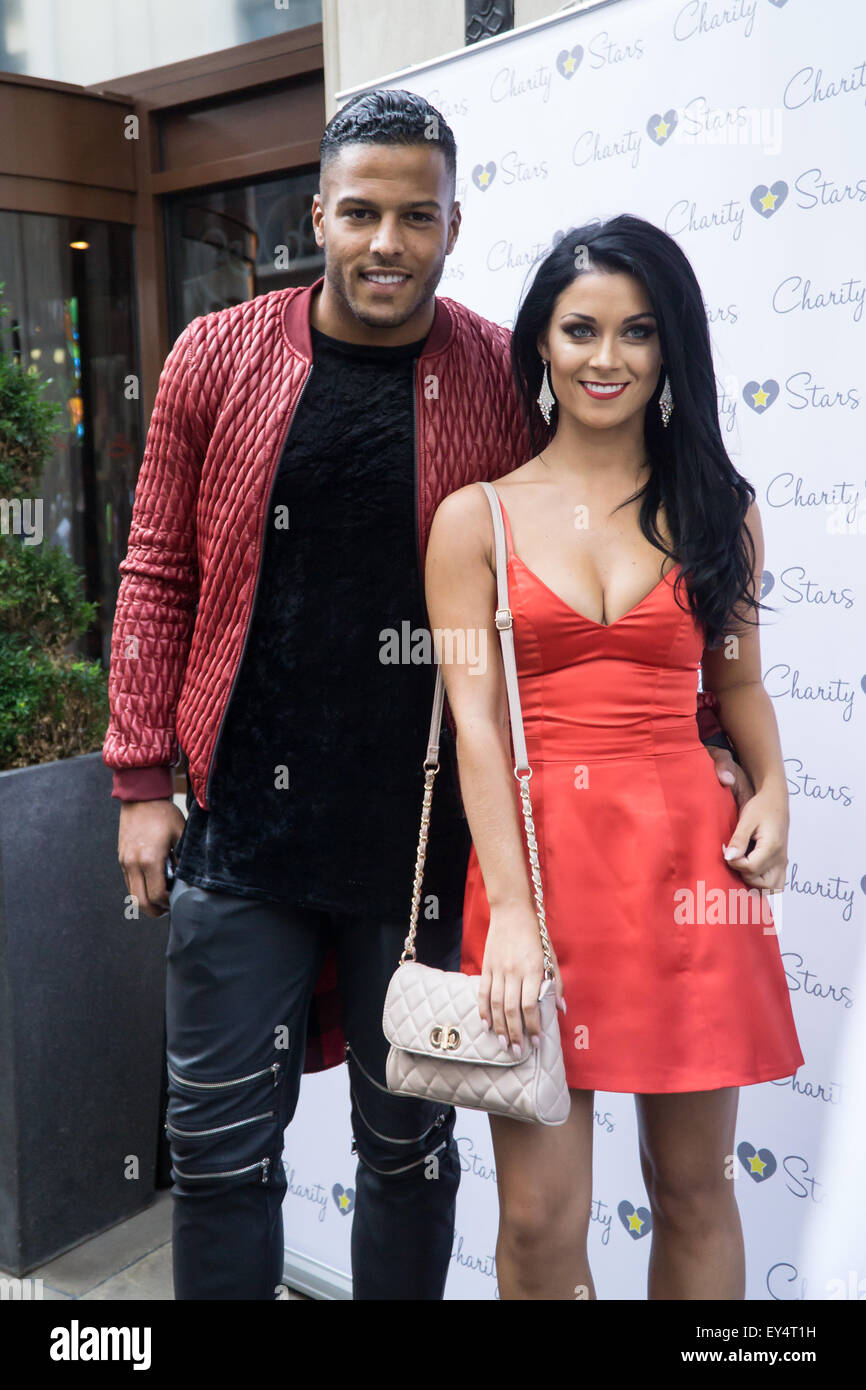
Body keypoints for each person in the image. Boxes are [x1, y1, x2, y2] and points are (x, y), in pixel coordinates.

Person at [103, 92, 746, 1301]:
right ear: (317, 216)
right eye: (359, 212)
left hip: (425, 849)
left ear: (454, 223)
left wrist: (698, 732)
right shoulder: (215, 354)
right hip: (243, 831)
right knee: (221, 1157)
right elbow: (154, 569)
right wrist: (141, 779)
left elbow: (599, 557)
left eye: (415, 214)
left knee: (407, 1155)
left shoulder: (496, 378)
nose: (385, 239)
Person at [424, 215, 805, 1301]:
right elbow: (476, 727)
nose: (607, 357)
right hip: (534, 879)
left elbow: (733, 686)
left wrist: (771, 785)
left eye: (636, 332)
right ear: (539, 344)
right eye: (579, 329)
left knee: (691, 1192)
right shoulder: (471, 521)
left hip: (688, 876)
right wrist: (509, 917)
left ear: (668, 347)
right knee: (540, 1222)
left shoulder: (718, 511)